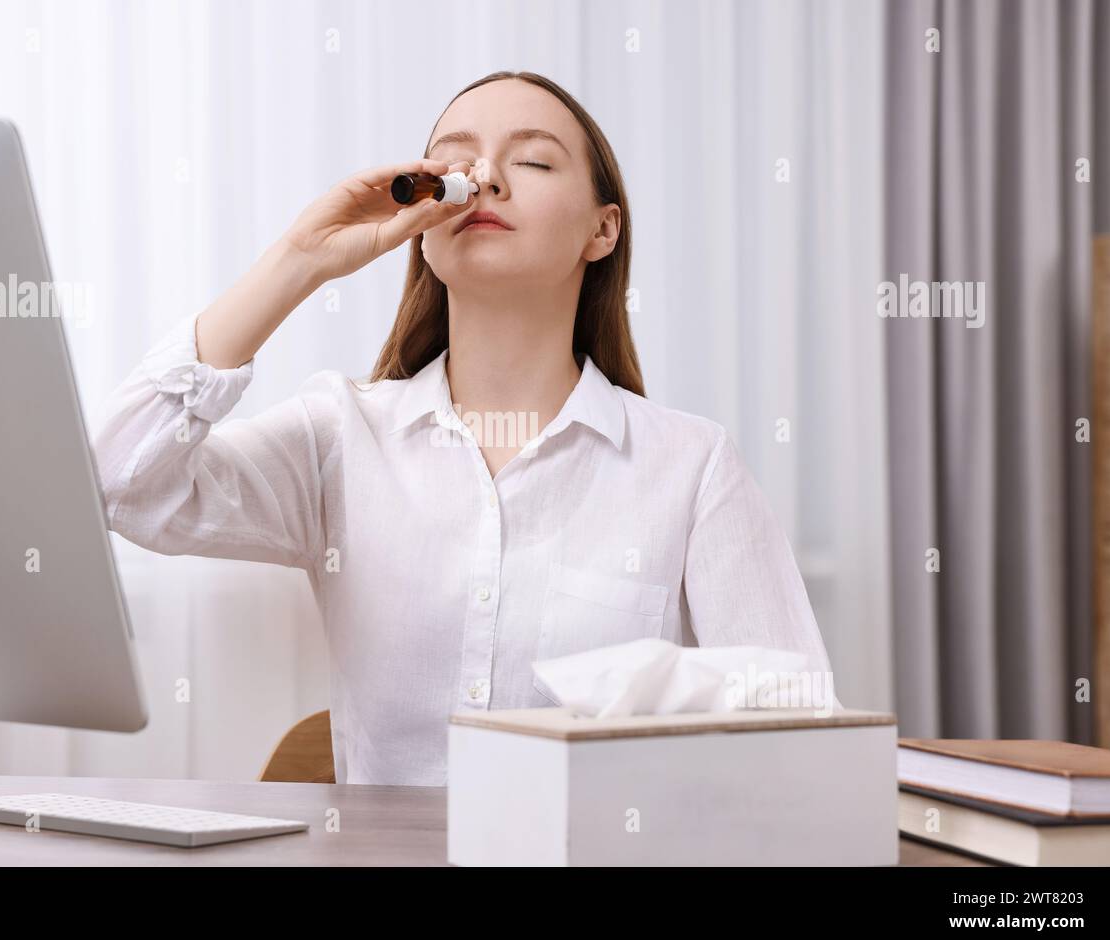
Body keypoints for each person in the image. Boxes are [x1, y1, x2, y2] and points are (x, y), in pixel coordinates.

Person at [92, 70, 838, 786]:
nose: (485, 179)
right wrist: (300, 262)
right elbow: (121, 482)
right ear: (423, 226)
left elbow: (797, 727)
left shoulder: (692, 466)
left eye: (535, 160)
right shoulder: (341, 436)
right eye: (455, 163)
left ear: (602, 230)